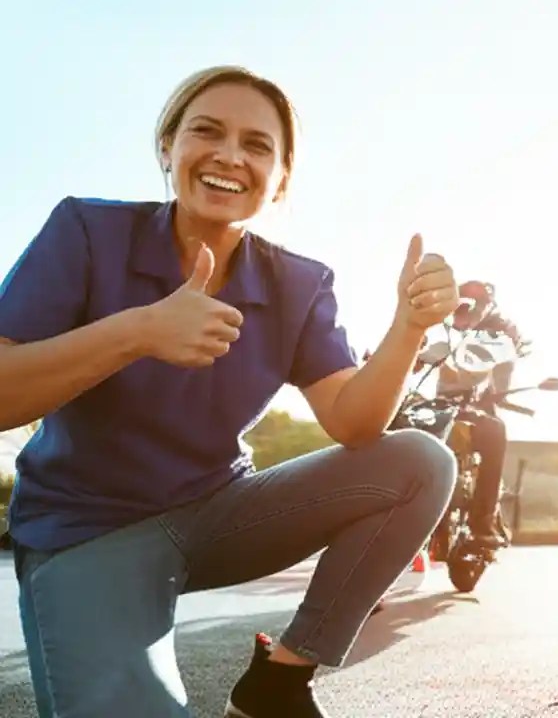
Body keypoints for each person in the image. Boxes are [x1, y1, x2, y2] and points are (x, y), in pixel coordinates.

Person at [0, 65, 462, 718]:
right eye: (206, 132)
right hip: (86, 532)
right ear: (169, 147)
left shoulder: (298, 285)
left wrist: (408, 328)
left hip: (218, 514)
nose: (230, 156)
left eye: (258, 145)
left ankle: (278, 684)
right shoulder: (85, 234)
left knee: (419, 461)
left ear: (281, 179)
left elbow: (355, 426)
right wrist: (137, 331)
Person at [433, 280, 527, 549]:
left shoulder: (499, 332)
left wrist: (500, 391)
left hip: (479, 404)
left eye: (477, 302)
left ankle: (482, 521)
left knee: (495, 430)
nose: (467, 308)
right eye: (463, 301)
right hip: (442, 405)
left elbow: (503, 369)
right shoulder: (441, 327)